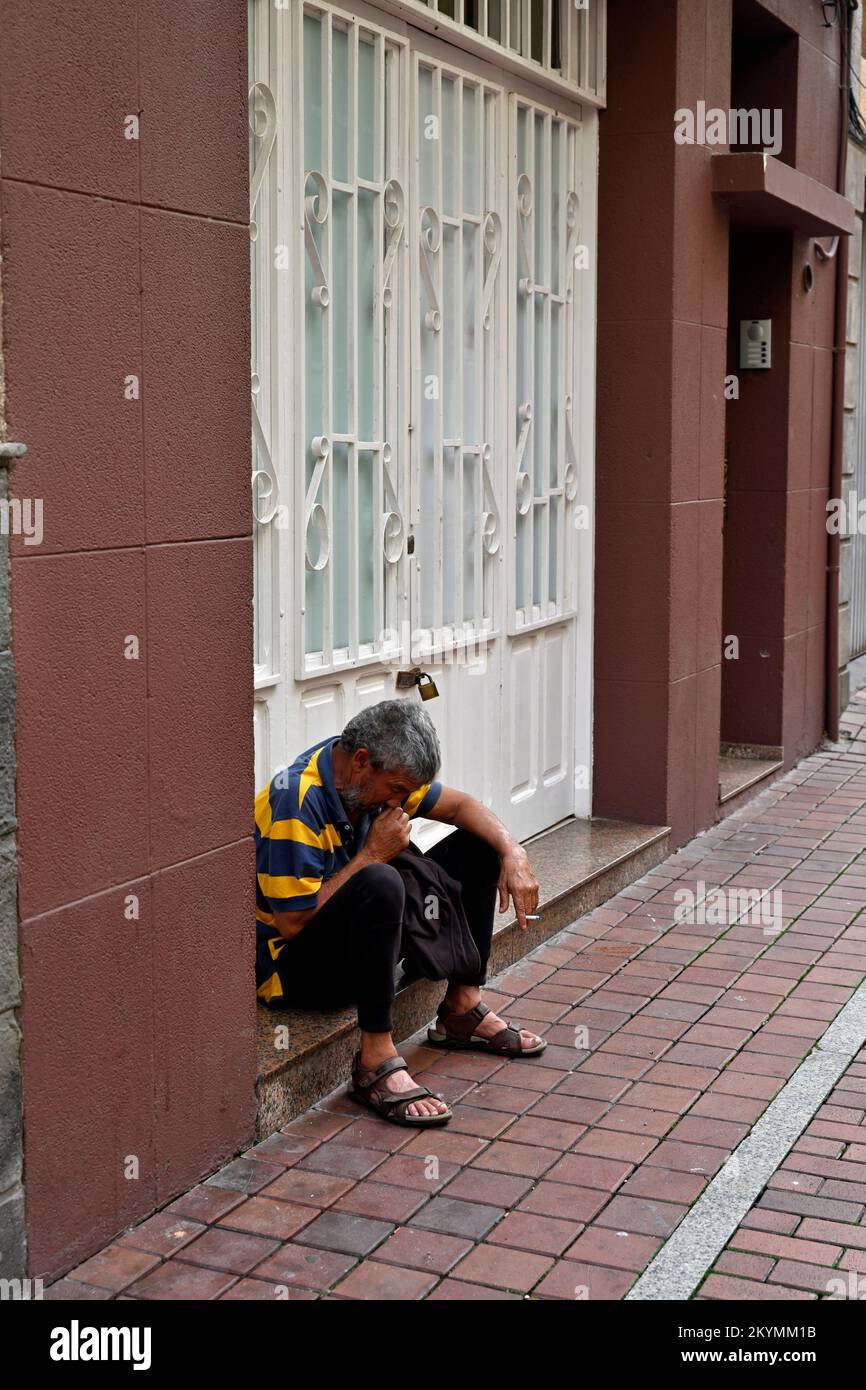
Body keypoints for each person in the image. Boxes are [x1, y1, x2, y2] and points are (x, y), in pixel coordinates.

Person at [254, 699, 544, 1127]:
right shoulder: (295, 801)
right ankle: (375, 1058)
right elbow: (293, 925)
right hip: (295, 970)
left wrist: (512, 851)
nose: (402, 802)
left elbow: (462, 808)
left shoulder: (376, 781)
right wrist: (371, 855)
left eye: (408, 793)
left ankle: (463, 1008)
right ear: (360, 762)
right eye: (397, 790)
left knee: (481, 847)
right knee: (381, 880)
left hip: (362, 940)